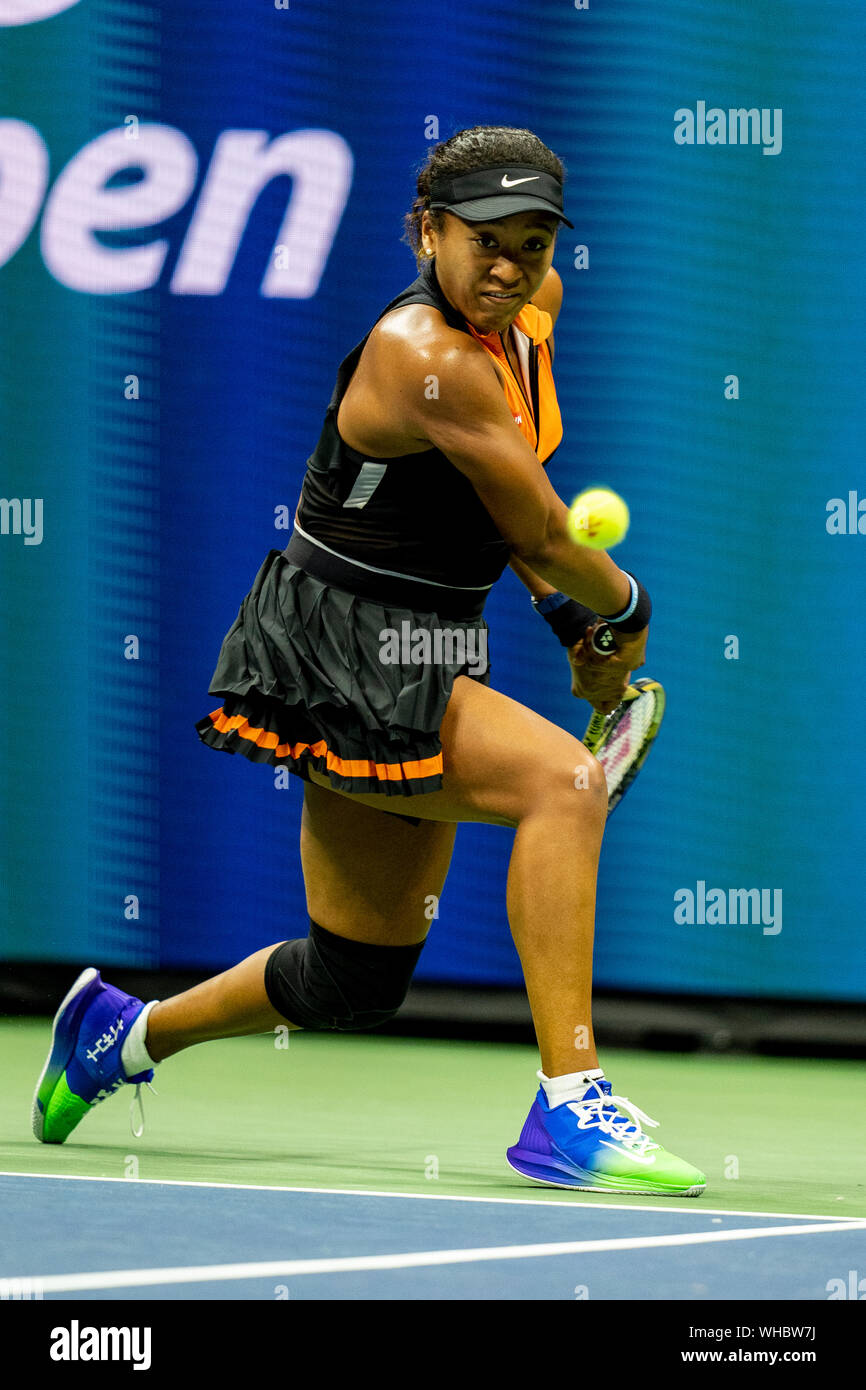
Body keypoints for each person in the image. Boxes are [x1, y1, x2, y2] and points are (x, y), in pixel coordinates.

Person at [32, 126, 705, 1197]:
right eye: (482, 239)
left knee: (352, 977)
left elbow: (503, 503)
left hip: (426, 642)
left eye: (530, 244)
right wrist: (623, 609)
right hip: (341, 647)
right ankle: (569, 1105)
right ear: (426, 231)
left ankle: (118, 1034)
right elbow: (539, 531)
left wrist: (568, 626)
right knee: (564, 785)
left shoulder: (531, 321)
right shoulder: (419, 354)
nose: (506, 266)